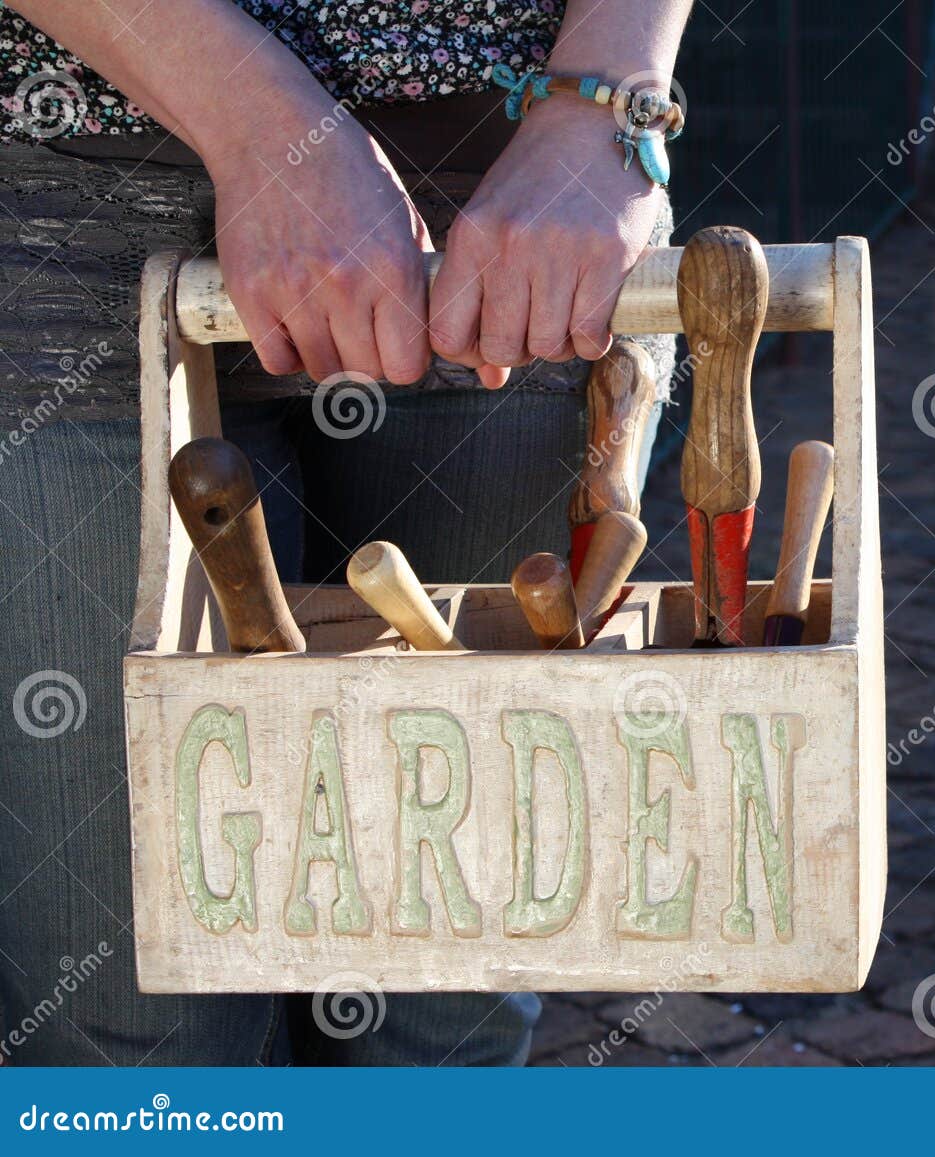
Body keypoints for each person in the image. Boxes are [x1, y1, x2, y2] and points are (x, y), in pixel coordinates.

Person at [0, 0, 693, 1065]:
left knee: (445, 995)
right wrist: (260, 127)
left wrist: (604, 103)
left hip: (505, 204)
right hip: (67, 196)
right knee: (139, 1030)